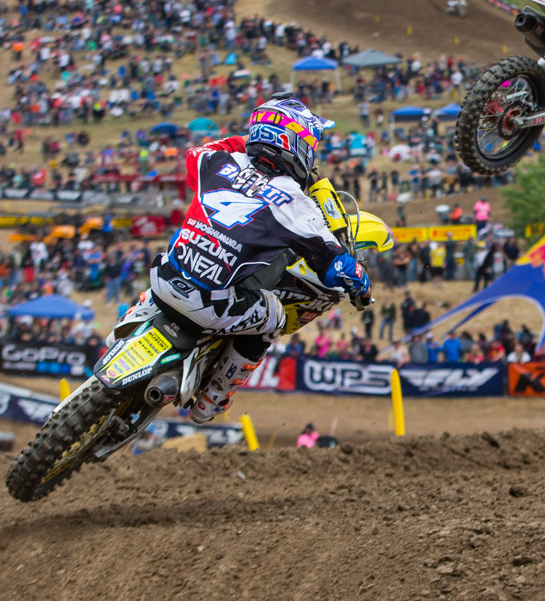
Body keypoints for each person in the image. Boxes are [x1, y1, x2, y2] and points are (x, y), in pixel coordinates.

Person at [113, 97, 371, 424]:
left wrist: (247, 142)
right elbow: (335, 266)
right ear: (296, 146)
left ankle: (123, 335)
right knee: (274, 315)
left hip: (163, 278)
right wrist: (361, 285)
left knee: (170, 264)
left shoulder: (215, 162)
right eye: (311, 144)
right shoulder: (295, 204)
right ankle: (215, 395)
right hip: (211, 306)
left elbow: (197, 151)